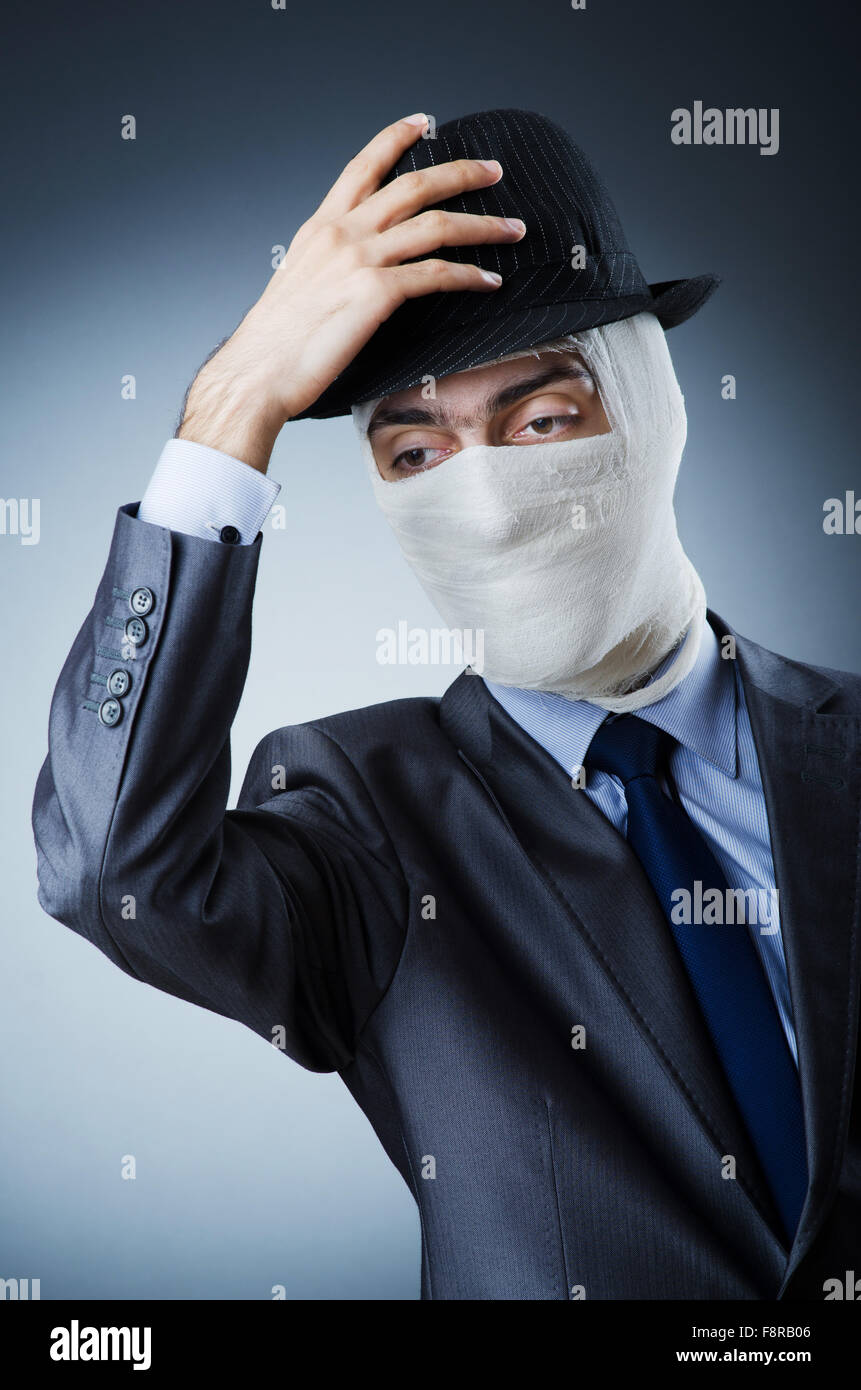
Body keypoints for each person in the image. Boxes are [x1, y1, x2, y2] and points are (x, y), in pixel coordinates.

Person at [32, 109, 860, 1300]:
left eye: (541, 420)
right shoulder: (368, 819)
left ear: (652, 406)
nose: (489, 503)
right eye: (415, 452)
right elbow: (113, 870)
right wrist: (235, 405)